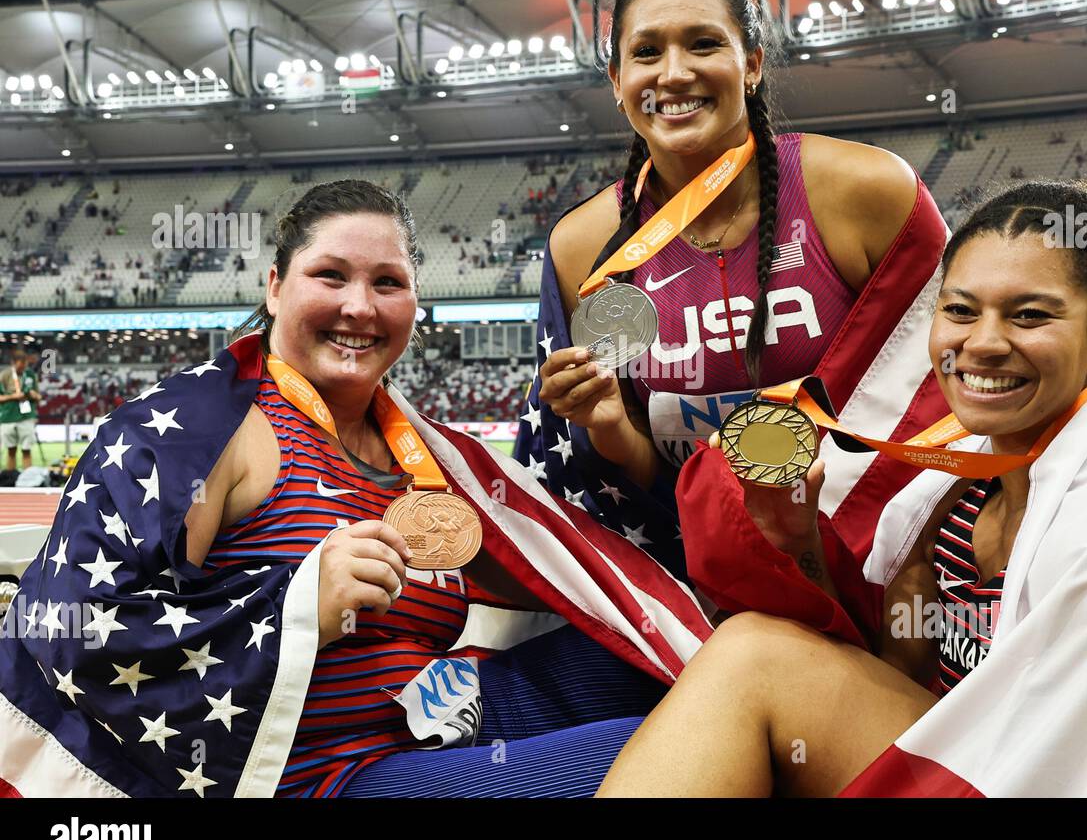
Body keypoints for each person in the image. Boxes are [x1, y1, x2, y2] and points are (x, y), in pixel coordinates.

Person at [0, 180, 710, 799]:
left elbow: (578, 581)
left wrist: (612, 429)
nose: (361, 308)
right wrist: (296, 603)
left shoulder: (431, 456)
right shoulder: (203, 429)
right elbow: (67, 624)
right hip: (323, 771)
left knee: (712, 661)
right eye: (330, 276)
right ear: (275, 286)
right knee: (707, 743)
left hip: (438, 720)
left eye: (388, 283)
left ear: (416, 304)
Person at [598, 178, 1087, 797]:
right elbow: (899, 670)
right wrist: (797, 533)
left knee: (748, 665)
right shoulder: (949, 489)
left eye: (1030, 315)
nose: (983, 343)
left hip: (1032, 773)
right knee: (752, 650)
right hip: (972, 744)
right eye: (961, 310)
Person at [515, 0, 949, 580]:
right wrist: (610, 428)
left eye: (703, 43)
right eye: (646, 52)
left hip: (877, 563)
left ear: (752, 62)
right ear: (617, 80)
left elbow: (946, 397)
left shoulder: (869, 193)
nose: (674, 73)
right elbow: (632, 478)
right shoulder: (581, 247)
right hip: (691, 570)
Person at [0, 349, 40, 472]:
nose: (23, 368)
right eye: (20, 366)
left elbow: (38, 396)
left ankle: (28, 480)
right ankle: (11, 479)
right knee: (11, 450)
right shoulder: (4, 375)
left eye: (25, 365)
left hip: (26, 417)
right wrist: (13, 396)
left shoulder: (30, 374)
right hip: (8, 417)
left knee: (26, 449)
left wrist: (34, 395)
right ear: (14, 363)